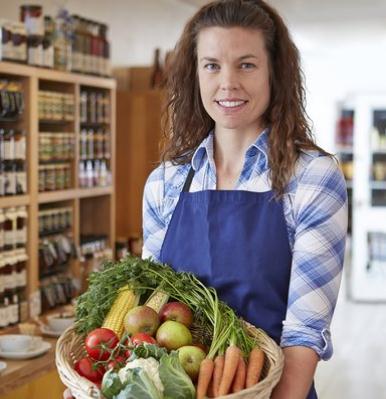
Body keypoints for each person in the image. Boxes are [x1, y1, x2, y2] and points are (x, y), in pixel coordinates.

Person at [142, 1, 347, 398]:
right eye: (212, 65)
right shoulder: (165, 183)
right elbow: (152, 312)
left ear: (275, 73)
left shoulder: (311, 178)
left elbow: (305, 330)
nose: (228, 83)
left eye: (247, 64)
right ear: (194, 74)